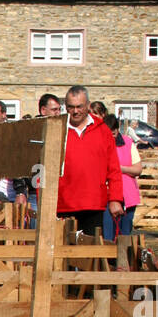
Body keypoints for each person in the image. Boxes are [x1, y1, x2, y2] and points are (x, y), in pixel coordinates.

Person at [57, 85, 123, 235]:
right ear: (65, 107)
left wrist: (115, 199)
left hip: (93, 204)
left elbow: (113, 168)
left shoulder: (102, 131)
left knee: (91, 254)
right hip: (63, 205)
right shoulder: (56, 128)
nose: (75, 111)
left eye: (79, 106)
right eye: (71, 107)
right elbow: (43, 167)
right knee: (64, 255)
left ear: (88, 105)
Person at [102, 114, 141, 239]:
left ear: (117, 130)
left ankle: (123, 258)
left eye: (113, 134)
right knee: (108, 235)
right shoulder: (100, 145)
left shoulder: (128, 143)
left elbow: (137, 169)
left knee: (124, 234)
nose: (110, 138)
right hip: (106, 197)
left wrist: (118, 168)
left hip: (127, 196)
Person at [0, 100, 29, 209]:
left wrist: (20, 191)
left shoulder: (10, 133)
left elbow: (17, 163)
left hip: (8, 189)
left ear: (4, 115)